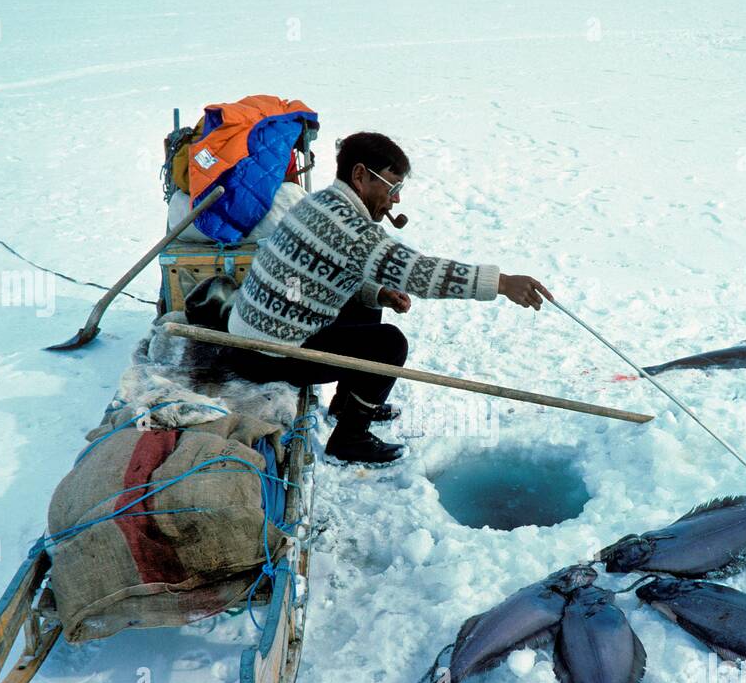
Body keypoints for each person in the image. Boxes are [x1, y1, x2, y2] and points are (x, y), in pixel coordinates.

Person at [222, 131, 553, 464]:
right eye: (392, 187)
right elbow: (421, 273)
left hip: (254, 336)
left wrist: (378, 293)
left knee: (368, 301)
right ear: (361, 175)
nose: (395, 200)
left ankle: (346, 404)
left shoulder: (320, 204)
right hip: (269, 354)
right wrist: (502, 283)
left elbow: (321, 276)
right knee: (389, 345)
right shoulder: (350, 229)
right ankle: (349, 439)